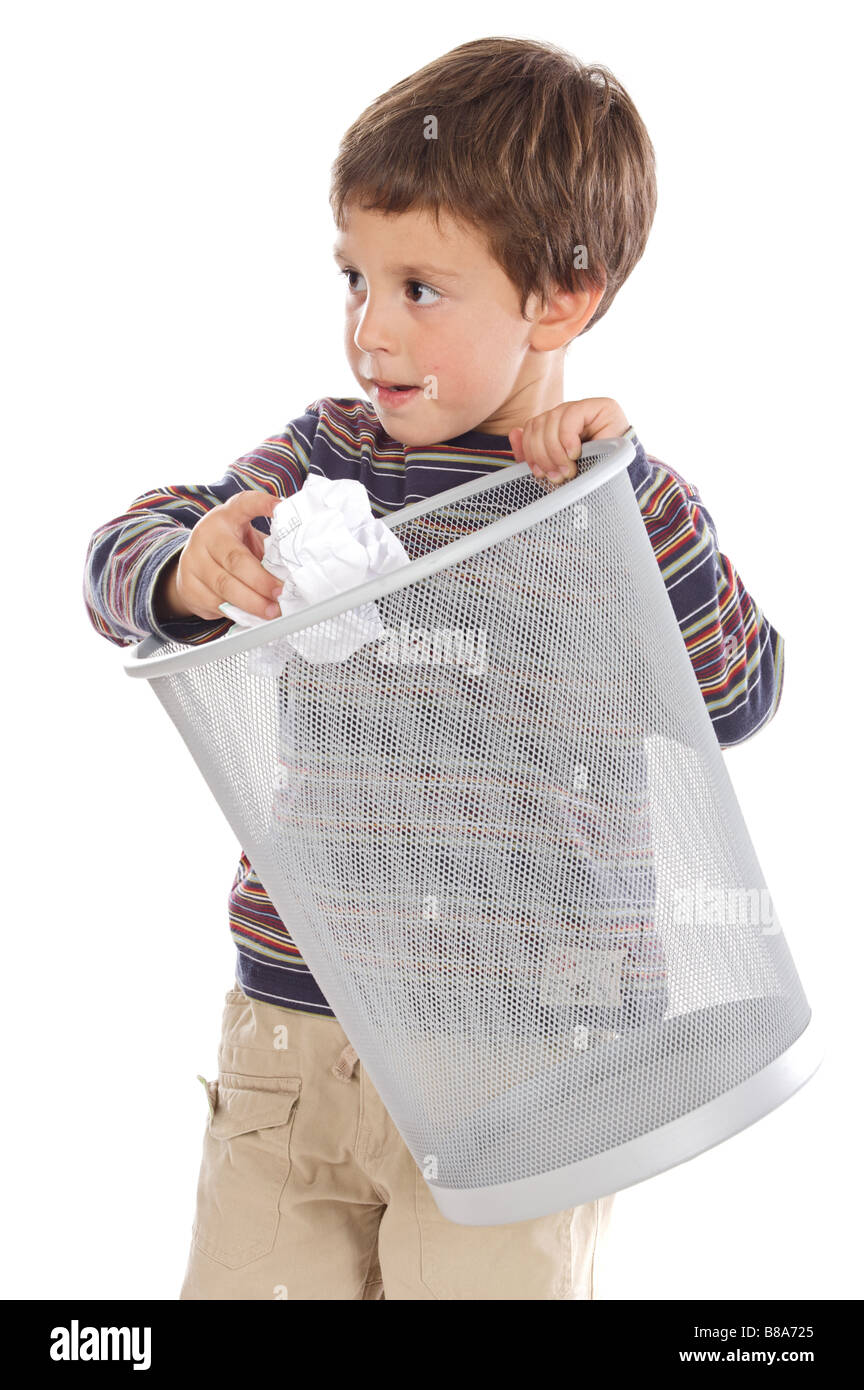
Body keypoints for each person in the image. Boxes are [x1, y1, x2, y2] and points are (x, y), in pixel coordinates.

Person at [82, 36, 784, 1301]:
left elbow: (735, 693)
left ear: (560, 298)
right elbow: (122, 548)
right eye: (354, 276)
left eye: (420, 288)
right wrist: (190, 566)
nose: (369, 331)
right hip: (298, 1027)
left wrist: (639, 496)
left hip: (529, 1049)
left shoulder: (606, 501)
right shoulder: (327, 464)